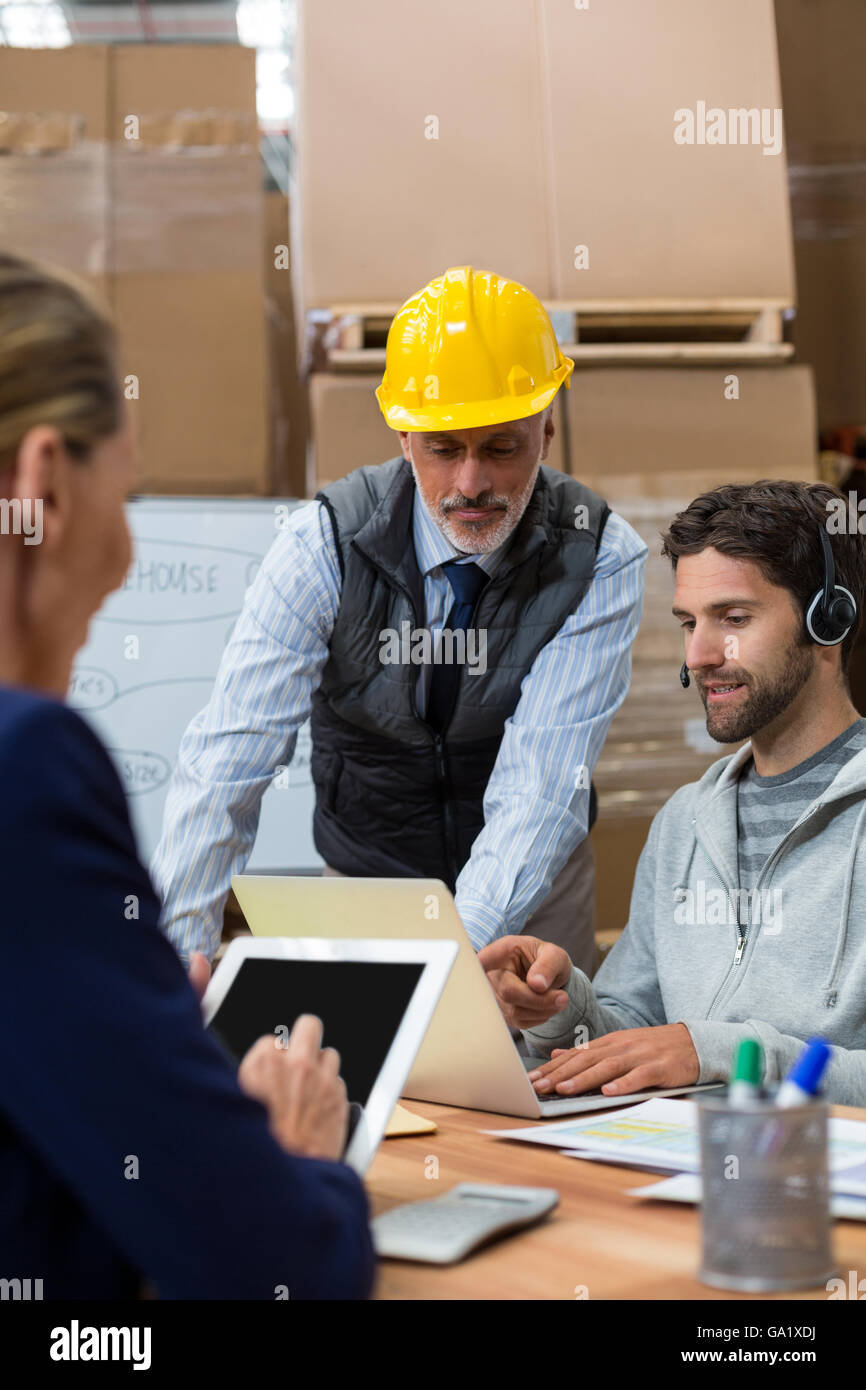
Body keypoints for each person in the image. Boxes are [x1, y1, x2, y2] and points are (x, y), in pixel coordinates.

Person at [0, 254, 374, 1299]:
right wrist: (295, 1150)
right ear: (42, 486)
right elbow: (277, 1266)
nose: (123, 557)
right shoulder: (23, 767)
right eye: (127, 494)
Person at [153, 267, 647, 977]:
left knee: (540, 1085)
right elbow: (230, 759)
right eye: (445, 449)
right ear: (404, 433)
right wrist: (178, 958)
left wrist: (455, 962)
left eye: (502, 447)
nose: (472, 483)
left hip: (531, 899)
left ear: (547, 424)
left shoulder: (598, 555)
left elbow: (539, 787)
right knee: (360, 1083)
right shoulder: (322, 545)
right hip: (368, 887)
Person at [480, 480, 866, 1106]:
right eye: (690, 623)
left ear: (829, 619)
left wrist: (715, 1051)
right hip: (681, 1166)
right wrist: (559, 1006)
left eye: (733, 619)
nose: (700, 654)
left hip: (817, 1183)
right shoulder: (684, 822)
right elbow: (627, 1036)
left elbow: (691, 1052)